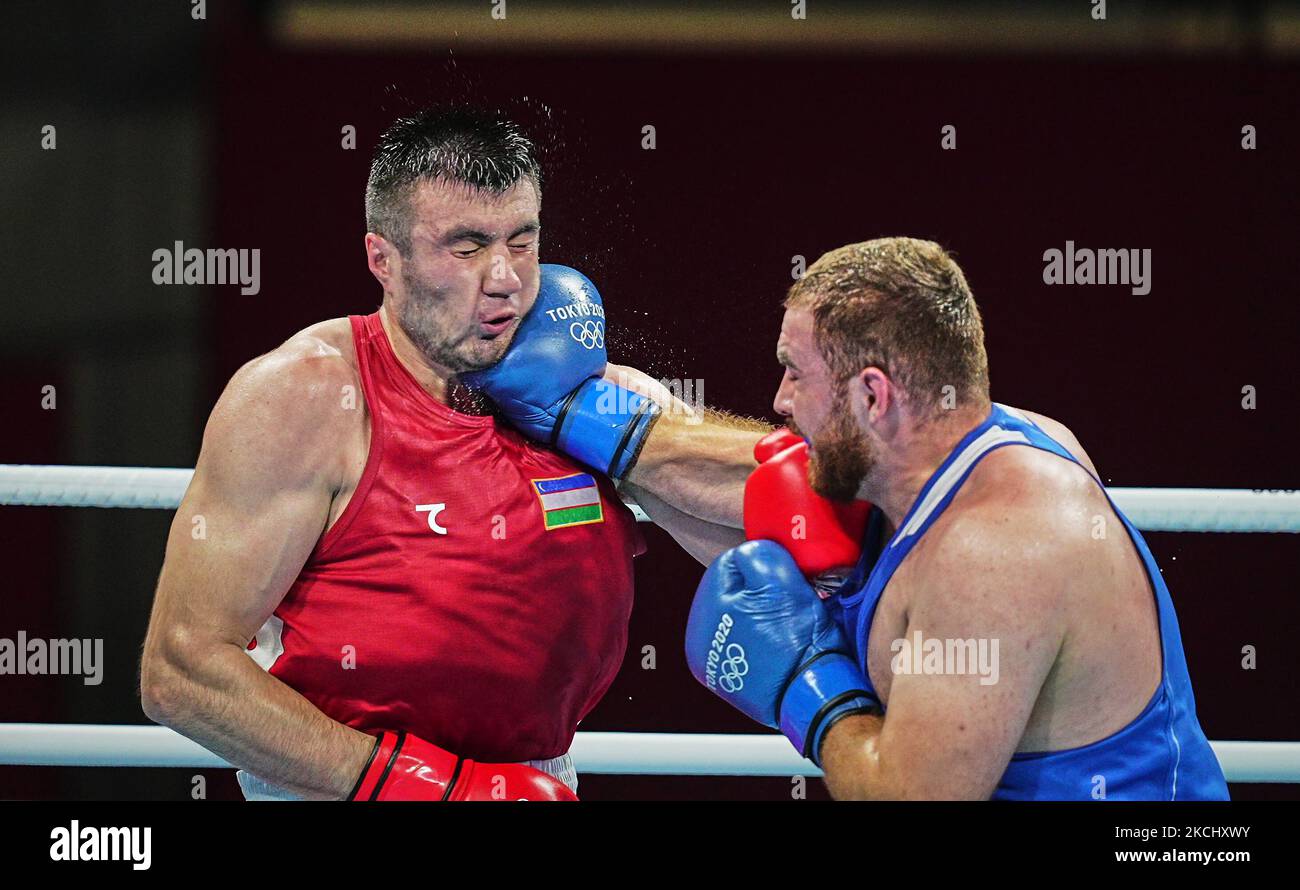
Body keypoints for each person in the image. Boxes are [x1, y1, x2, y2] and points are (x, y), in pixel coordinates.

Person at [138, 106, 762, 800]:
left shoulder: (581, 388)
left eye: (521, 242)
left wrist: (608, 430)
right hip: (339, 786)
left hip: (535, 783)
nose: (504, 278)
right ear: (384, 260)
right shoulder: (305, 397)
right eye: (465, 247)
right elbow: (180, 669)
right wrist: (428, 789)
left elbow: (780, 520)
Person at [683, 237, 1229, 800]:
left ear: (873, 397)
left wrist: (810, 688)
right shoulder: (985, 448)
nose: (781, 399)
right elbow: (726, 480)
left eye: (795, 373)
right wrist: (609, 424)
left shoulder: (992, 550)